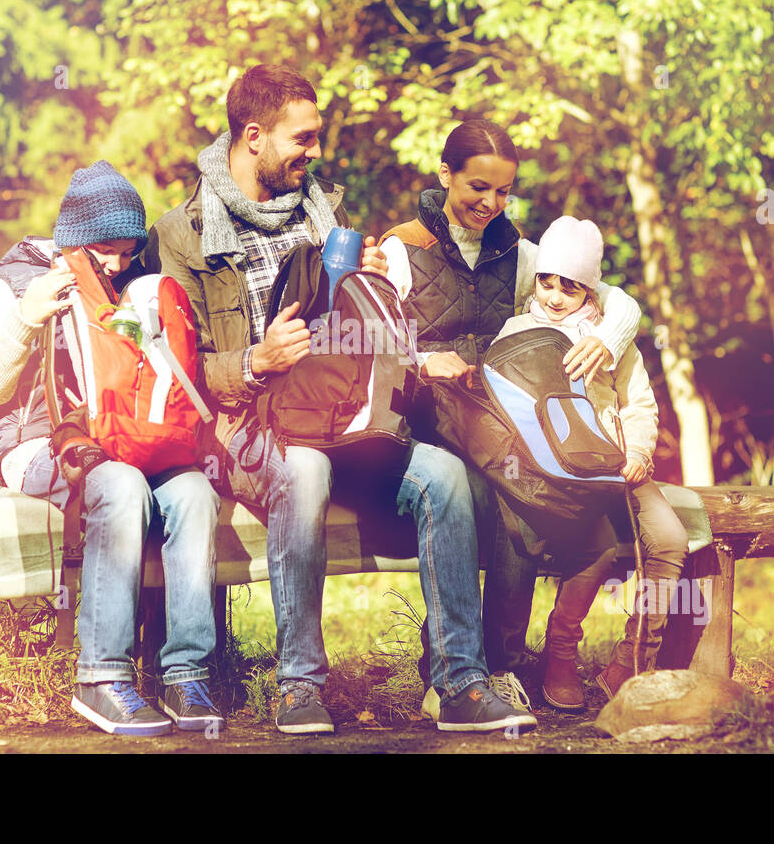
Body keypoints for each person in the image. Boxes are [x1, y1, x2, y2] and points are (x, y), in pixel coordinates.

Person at [153, 64, 535, 734]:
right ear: (253, 136)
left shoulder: (323, 213)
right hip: (250, 427)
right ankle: (299, 683)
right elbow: (177, 369)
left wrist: (375, 285)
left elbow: (361, 330)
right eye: (304, 138)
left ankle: (460, 682)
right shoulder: (184, 235)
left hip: (342, 413)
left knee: (443, 476)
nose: (318, 152)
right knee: (304, 469)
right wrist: (255, 359)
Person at [379, 121, 642, 710]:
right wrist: (424, 359)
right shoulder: (400, 247)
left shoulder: (518, 253)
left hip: (501, 425)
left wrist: (615, 333)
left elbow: (612, 295)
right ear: (444, 175)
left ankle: (497, 664)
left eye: (503, 192)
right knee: (487, 499)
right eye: (478, 187)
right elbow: (370, 338)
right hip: (428, 427)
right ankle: (452, 669)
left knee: (522, 509)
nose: (490, 204)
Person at [0, 160, 223, 736]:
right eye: (106, 249)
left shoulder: (137, 283)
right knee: (120, 486)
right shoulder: (21, 278)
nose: (118, 263)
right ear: (74, 239)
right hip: (35, 445)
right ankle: (102, 677)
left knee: (195, 494)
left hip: (130, 440)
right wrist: (28, 321)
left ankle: (185, 672)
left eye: (130, 249)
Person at [493, 215, 688, 707]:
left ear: (590, 287)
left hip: (617, 464)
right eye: (547, 282)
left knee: (670, 539)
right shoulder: (518, 329)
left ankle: (634, 658)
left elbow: (637, 403)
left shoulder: (610, 337)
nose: (555, 296)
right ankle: (560, 655)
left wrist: (640, 452)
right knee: (596, 545)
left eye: (571, 287)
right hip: (554, 472)